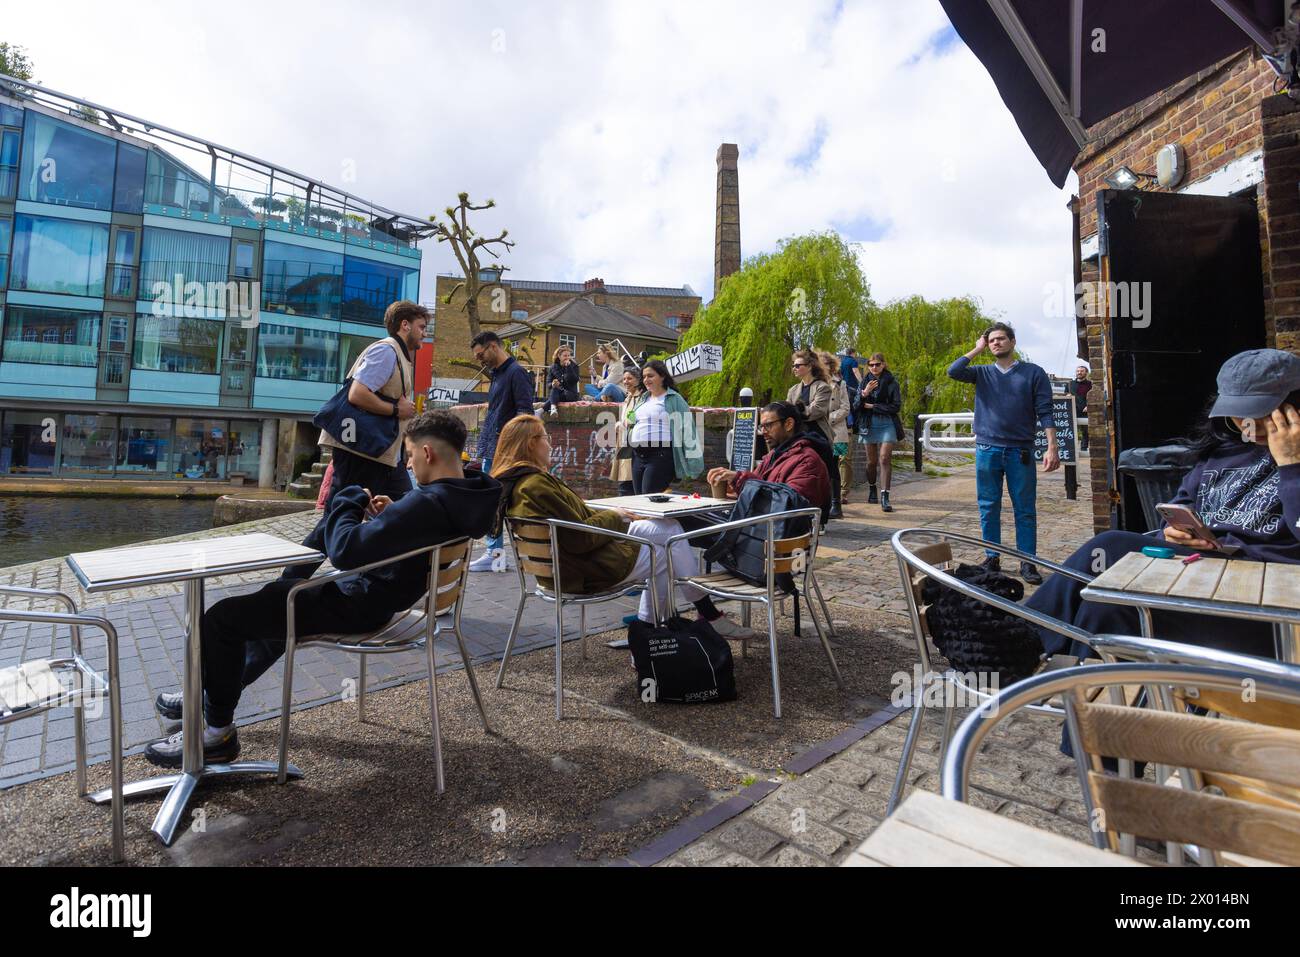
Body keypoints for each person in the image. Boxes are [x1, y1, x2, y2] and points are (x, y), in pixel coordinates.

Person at [144, 411, 502, 766]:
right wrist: (393, 517)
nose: (408, 464)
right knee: (275, 610)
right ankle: (210, 695)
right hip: (383, 598)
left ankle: (215, 733)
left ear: (427, 453)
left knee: (222, 619)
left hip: (362, 606)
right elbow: (415, 529)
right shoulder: (466, 495)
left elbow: (345, 552)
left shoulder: (426, 502)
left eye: (409, 455)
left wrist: (347, 501)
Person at [1025, 350, 1300, 664]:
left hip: (1263, 606)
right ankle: (1067, 684)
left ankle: (1017, 641)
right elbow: (1185, 500)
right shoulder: (1222, 451)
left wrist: (1292, 465)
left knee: (1111, 561)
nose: (1246, 422)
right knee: (1105, 598)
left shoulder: (1294, 458)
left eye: (1259, 411)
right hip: (1204, 573)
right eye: (1238, 411)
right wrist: (1177, 530)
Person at [491, 416, 753, 637]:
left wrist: (622, 515)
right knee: (664, 553)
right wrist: (616, 515)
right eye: (546, 437)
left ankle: (674, 623)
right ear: (530, 444)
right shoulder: (536, 485)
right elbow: (581, 538)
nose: (551, 443)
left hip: (567, 564)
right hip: (584, 568)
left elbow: (574, 518)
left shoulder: (521, 484)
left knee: (669, 528)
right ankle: (656, 632)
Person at [287, 300, 426, 581]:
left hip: (384, 455)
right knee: (334, 520)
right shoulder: (385, 352)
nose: (424, 333)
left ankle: (390, 575)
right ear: (405, 325)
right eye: (422, 327)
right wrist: (396, 410)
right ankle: (289, 584)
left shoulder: (400, 355)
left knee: (406, 512)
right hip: (363, 454)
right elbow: (357, 394)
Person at [947, 322, 1059, 584]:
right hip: (987, 449)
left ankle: (1028, 562)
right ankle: (992, 556)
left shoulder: (1033, 373)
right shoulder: (982, 372)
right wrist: (976, 349)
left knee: (1025, 509)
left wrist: (1052, 446)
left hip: (1020, 450)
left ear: (1012, 342)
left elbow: (1045, 411)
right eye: (991, 340)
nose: (996, 343)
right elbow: (953, 371)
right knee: (988, 506)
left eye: (1000, 339)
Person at [468, 330, 537, 572]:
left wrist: (511, 446)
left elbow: (525, 412)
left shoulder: (516, 372)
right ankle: (496, 553)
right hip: (493, 447)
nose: (479, 360)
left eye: (480, 355)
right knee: (494, 501)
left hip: (503, 450)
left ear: (493, 346)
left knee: (494, 501)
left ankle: (495, 554)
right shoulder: (498, 375)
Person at [707, 401, 831, 511]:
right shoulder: (773, 455)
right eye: (762, 426)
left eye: (768, 425)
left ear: (788, 424)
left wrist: (739, 479)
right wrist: (734, 488)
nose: (763, 431)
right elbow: (760, 487)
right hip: (763, 527)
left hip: (782, 534)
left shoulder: (807, 460)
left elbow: (788, 504)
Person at [628, 359, 704, 493]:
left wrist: (694, 463)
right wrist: (625, 422)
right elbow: (634, 417)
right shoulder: (643, 398)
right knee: (638, 499)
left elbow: (688, 430)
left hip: (660, 455)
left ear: (662, 376)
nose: (646, 380)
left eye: (650, 376)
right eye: (644, 377)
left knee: (649, 498)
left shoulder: (674, 399)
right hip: (637, 455)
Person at [858, 352, 903, 513]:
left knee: (884, 458)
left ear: (883, 364)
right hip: (868, 424)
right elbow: (856, 404)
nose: (874, 367)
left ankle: (885, 496)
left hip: (887, 423)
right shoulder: (864, 382)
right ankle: (872, 488)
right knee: (871, 462)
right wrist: (865, 393)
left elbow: (896, 406)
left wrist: (873, 406)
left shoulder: (892, 382)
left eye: (877, 364)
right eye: (871, 365)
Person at [820, 350, 851, 518]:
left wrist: (828, 418)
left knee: (832, 466)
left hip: (834, 430)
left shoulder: (840, 384)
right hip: (816, 430)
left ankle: (835, 504)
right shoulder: (812, 384)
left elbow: (846, 408)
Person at [609, 366, 647, 495]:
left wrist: (622, 424)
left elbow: (635, 418)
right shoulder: (628, 398)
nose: (625, 381)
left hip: (633, 445)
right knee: (625, 484)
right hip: (624, 442)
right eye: (624, 379)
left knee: (627, 485)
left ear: (638, 380)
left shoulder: (641, 398)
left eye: (629, 378)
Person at [541, 345, 580, 417]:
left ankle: (542, 410)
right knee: (555, 388)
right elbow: (548, 382)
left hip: (571, 394)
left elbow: (574, 380)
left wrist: (568, 367)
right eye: (565, 355)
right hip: (557, 394)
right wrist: (552, 384)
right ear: (559, 356)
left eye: (569, 355)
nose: (567, 358)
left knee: (556, 394)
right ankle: (553, 409)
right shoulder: (553, 367)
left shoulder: (574, 366)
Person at [1068, 364, 1092, 452]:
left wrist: (1088, 406)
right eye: (1078, 371)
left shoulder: (1090, 384)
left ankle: (1083, 448)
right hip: (1072, 410)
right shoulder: (1070, 384)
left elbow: (1093, 397)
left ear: (1086, 373)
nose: (1079, 373)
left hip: (1085, 410)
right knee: (1070, 431)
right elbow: (1065, 394)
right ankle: (1071, 450)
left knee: (1085, 431)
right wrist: (1067, 395)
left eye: (1081, 371)